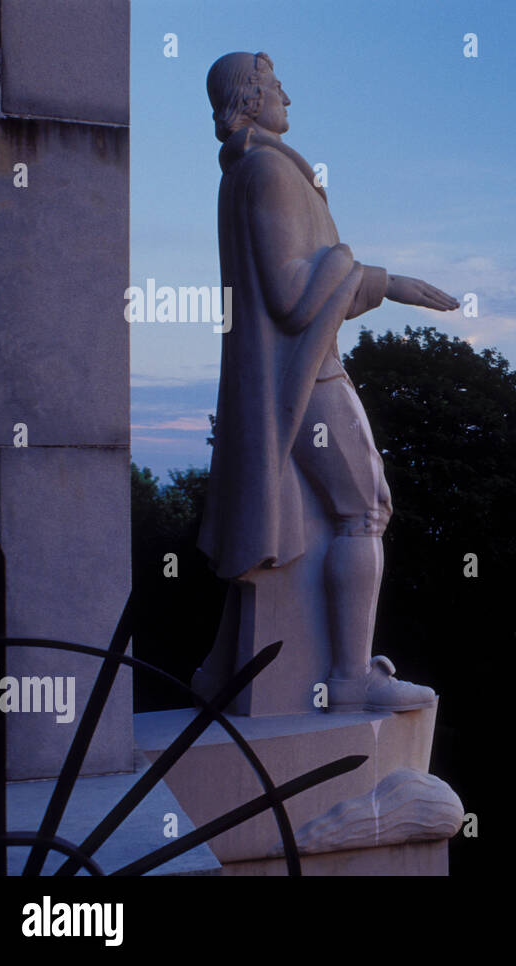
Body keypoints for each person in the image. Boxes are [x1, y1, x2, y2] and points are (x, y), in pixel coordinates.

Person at [198, 51, 458, 711]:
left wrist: (380, 281)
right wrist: (358, 267)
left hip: (293, 372)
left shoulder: (252, 173)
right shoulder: (269, 174)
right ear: (250, 99)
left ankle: (249, 672)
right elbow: (291, 296)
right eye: (276, 86)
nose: (288, 96)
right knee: (364, 509)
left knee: (347, 513)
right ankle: (347, 678)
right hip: (308, 375)